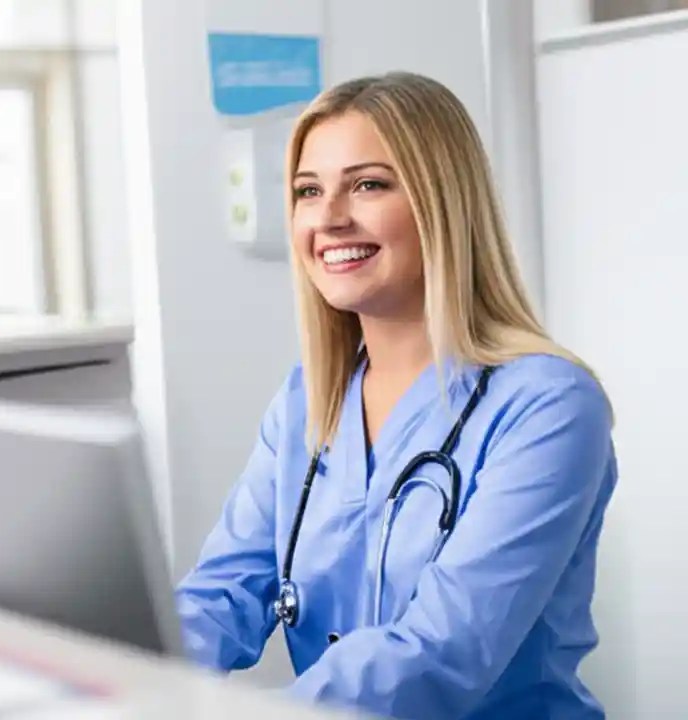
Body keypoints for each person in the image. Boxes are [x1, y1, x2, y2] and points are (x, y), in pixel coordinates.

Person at [176, 72, 617, 719]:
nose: (328, 217)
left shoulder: (548, 407)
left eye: (368, 184)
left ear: (443, 202)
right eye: (307, 191)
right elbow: (222, 595)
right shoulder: (306, 401)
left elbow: (440, 653)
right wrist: (119, 674)